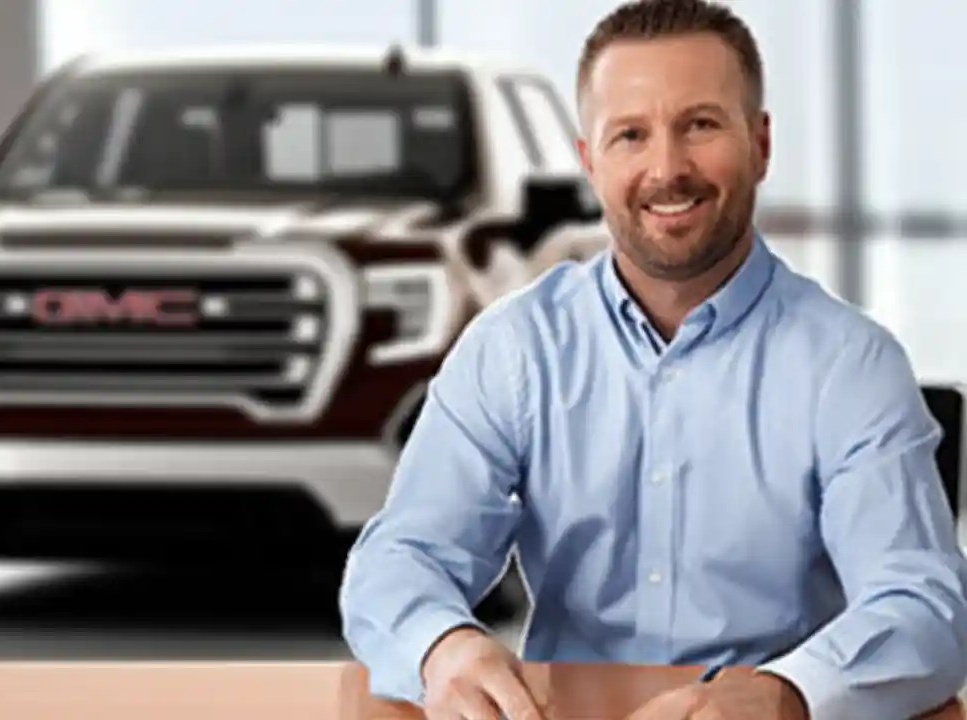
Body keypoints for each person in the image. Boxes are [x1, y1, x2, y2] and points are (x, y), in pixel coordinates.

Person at [337, 1, 967, 719]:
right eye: (630, 135)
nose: (667, 169)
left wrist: (789, 692)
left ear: (760, 144)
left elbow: (924, 606)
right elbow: (399, 557)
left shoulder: (852, 364)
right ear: (589, 163)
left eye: (700, 125)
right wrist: (443, 647)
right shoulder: (512, 349)